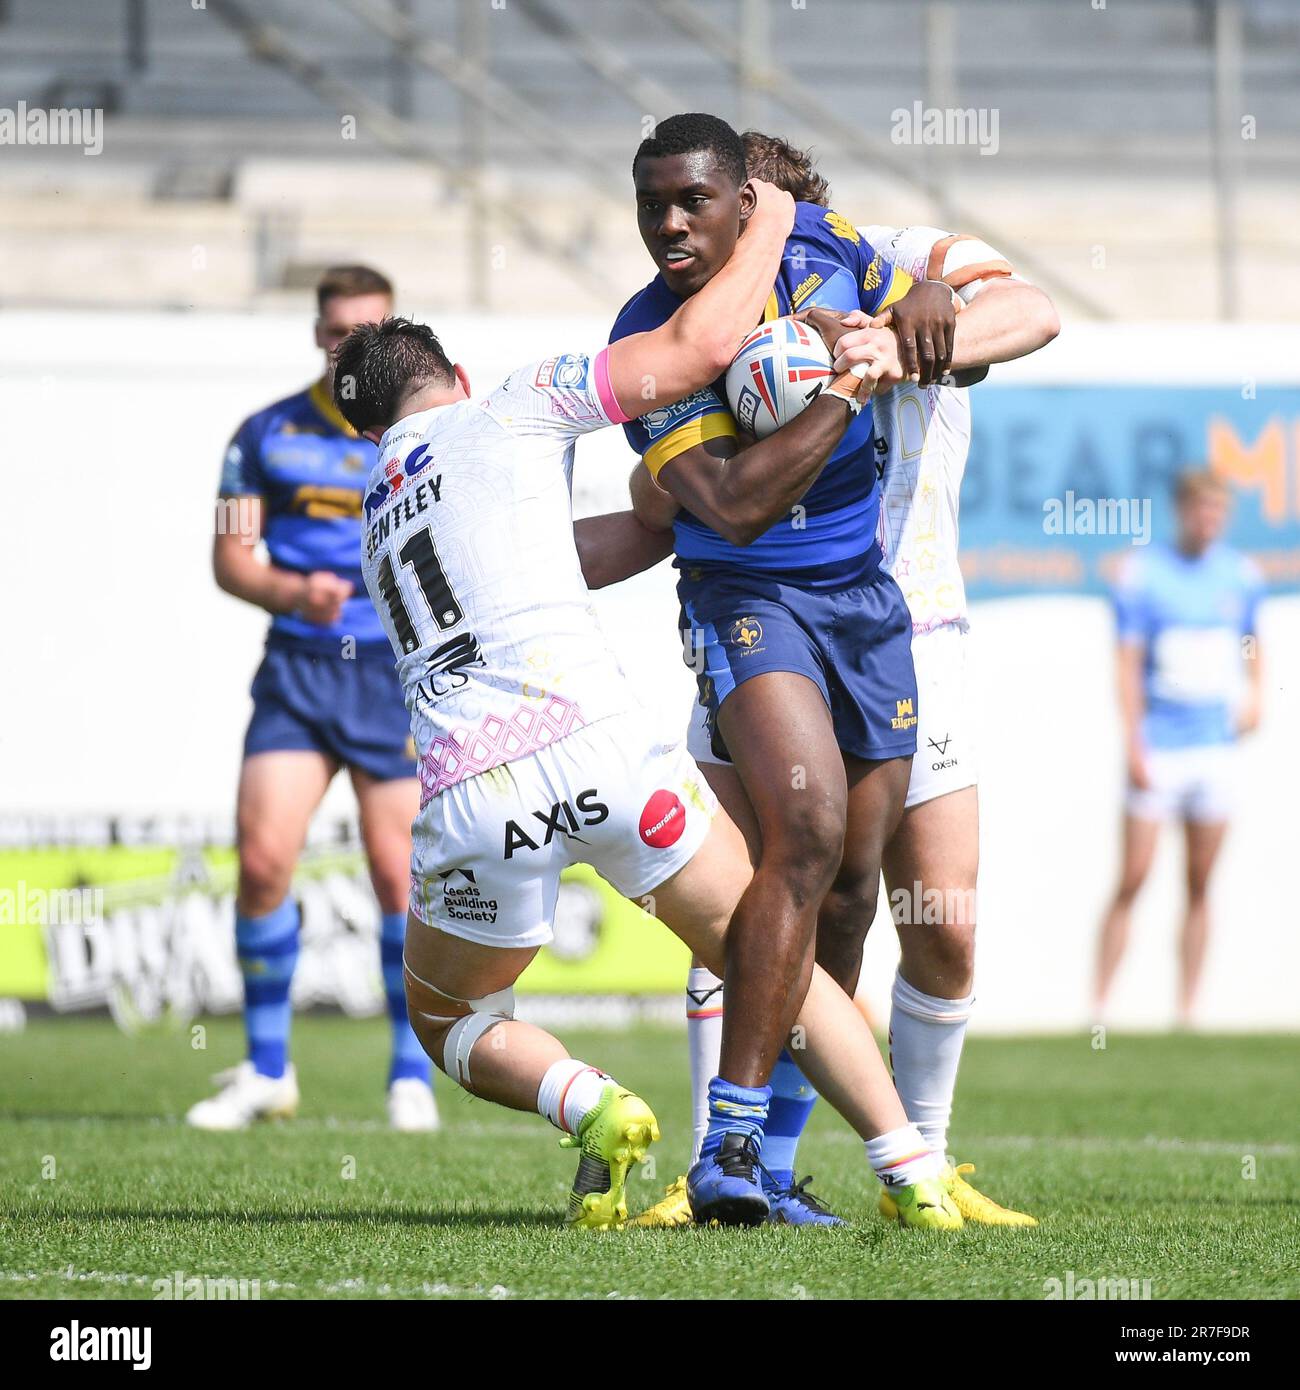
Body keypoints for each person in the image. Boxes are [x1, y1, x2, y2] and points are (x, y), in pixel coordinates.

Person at [335, 192, 962, 1230]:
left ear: (369, 429)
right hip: (603, 750)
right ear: (453, 377)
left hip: (470, 788)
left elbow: (560, 555)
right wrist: (770, 216)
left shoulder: (376, 512)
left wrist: (664, 508)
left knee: (450, 1015)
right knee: (775, 951)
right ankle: (911, 1170)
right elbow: (698, 341)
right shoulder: (513, 402)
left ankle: (592, 1105)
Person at [588, 130, 1059, 1227]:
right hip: (748, 605)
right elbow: (703, 506)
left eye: (704, 206)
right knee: (780, 857)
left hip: (893, 613)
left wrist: (915, 316)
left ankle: (889, 1165)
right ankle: (728, 1148)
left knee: (877, 899)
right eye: (657, 206)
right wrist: (843, 385)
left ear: (770, 206)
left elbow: (1022, 313)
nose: (675, 228)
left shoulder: (854, 251)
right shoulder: (658, 330)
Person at [188, 266, 437, 1133]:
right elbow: (231, 557)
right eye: (337, 333)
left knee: (396, 877)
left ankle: (412, 1074)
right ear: (318, 335)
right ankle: (266, 1071)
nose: (350, 346)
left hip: (389, 677)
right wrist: (296, 594)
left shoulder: (425, 430)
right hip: (296, 671)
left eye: (367, 330)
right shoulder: (260, 434)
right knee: (260, 864)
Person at [1094, 469, 1263, 1025]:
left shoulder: (1240, 576)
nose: (1209, 520)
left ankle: (1188, 1012)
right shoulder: (1144, 576)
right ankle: (1098, 1009)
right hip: (1160, 749)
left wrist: (1255, 694)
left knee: (1199, 883)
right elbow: (1127, 664)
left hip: (1213, 750)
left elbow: (1253, 642)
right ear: (1183, 510)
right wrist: (1134, 743)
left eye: (1219, 511)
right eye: (1201, 509)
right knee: (1133, 878)